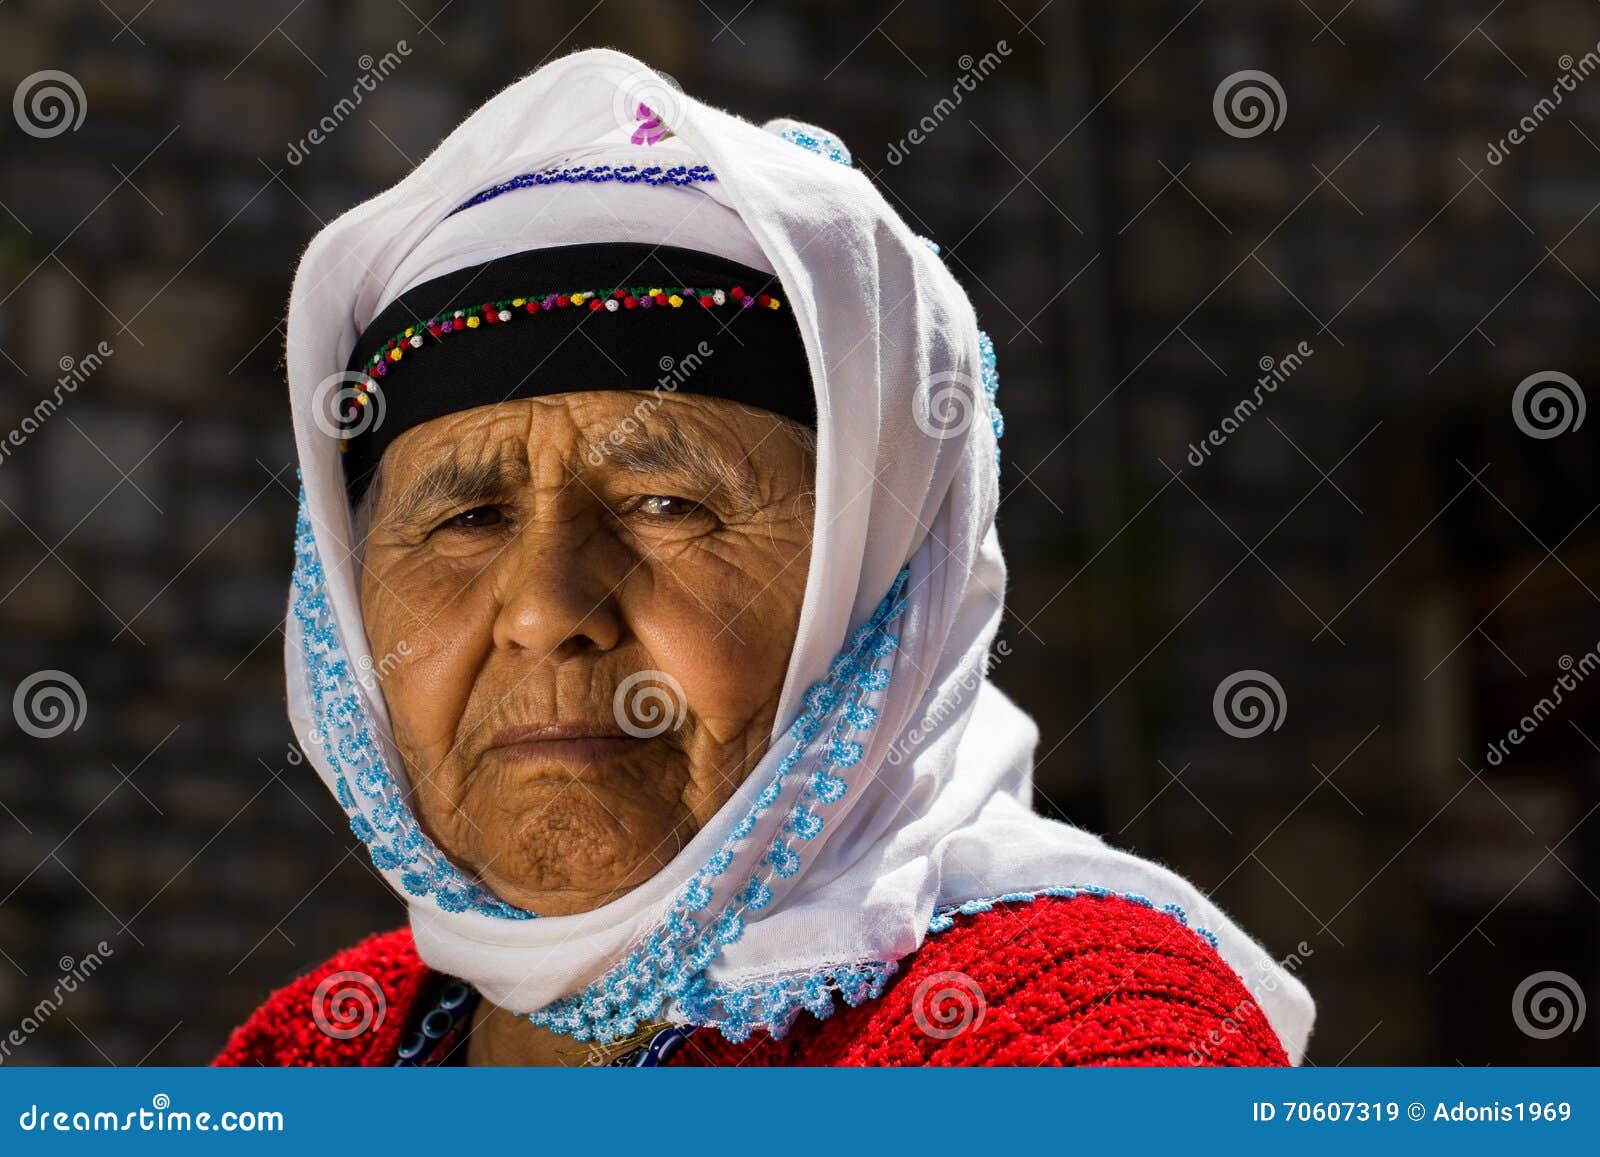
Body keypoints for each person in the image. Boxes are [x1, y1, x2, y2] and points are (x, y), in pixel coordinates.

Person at [215, 48, 1313, 1067]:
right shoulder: (324, 1042)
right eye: (466, 519)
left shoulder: (1091, 1041)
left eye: (665, 502)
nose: (547, 608)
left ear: (872, 581)